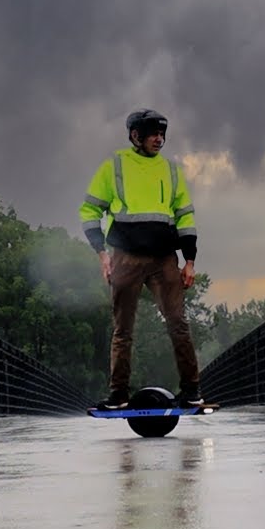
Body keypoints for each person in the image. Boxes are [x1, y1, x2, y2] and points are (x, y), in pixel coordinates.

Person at [80, 109, 203, 410]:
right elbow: (89, 211)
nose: (159, 139)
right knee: (123, 329)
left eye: (162, 133)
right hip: (126, 257)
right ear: (135, 135)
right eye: (152, 133)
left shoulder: (171, 171)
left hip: (164, 260)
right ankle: (118, 395)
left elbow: (185, 215)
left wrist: (189, 260)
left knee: (178, 324)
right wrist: (101, 253)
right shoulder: (115, 166)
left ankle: (192, 391)